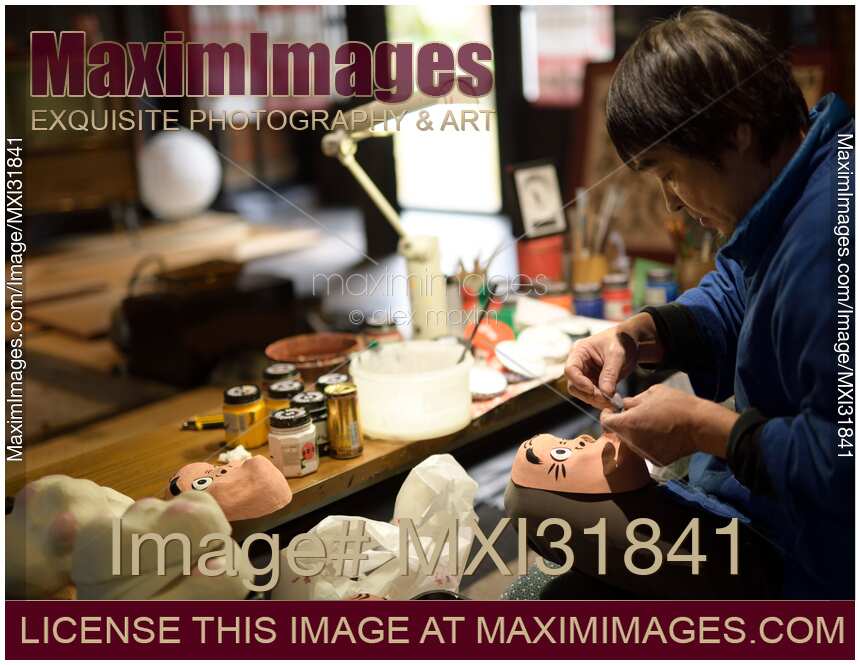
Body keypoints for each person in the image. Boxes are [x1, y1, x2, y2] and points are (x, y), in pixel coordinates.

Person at [506, 9, 853, 598]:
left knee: (532, 501)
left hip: (813, 557)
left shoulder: (832, 235)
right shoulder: (800, 183)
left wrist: (702, 428)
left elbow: (840, 468)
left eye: (670, 173)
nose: (670, 203)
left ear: (736, 131)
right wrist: (640, 333)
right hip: (761, 507)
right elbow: (738, 288)